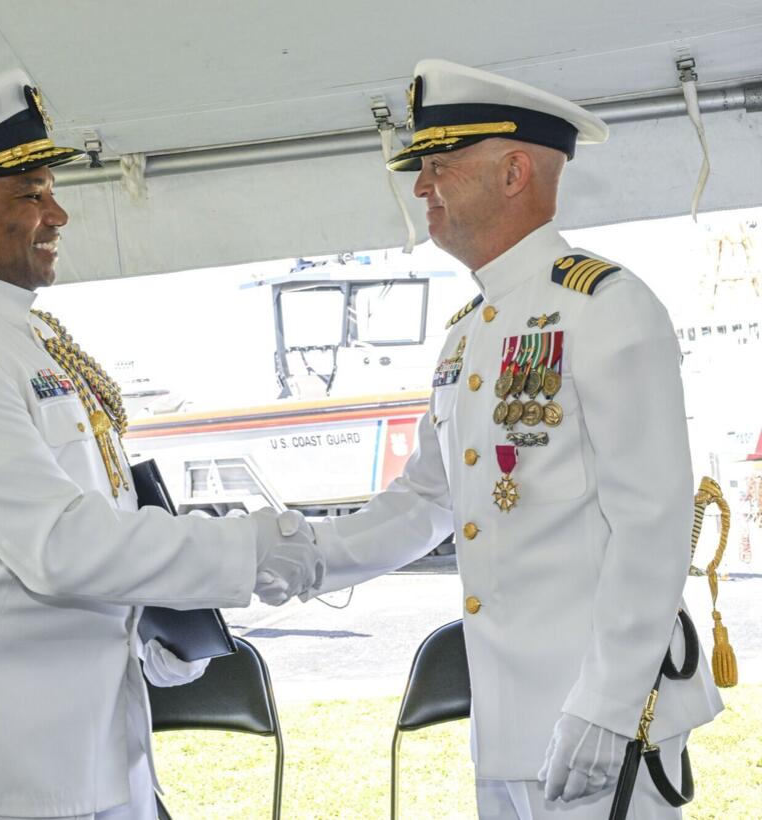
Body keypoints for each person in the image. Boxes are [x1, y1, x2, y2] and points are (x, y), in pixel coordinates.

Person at [0, 70, 324, 820]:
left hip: (83, 729)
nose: (58, 214)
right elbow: (60, 544)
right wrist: (249, 549)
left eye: (50, 190)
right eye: (30, 195)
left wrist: (153, 624)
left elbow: (97, 508)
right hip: (6, 756)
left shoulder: (21, 331)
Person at [295, 59, 723, 818]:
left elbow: (653, 523)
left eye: (440, 165)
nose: (421, 187)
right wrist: (296, 558)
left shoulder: (605, 307)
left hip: (601, 722)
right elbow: (425, 503)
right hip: (508, 727)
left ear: (514, 172)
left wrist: (609, 707)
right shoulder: (465, 335)